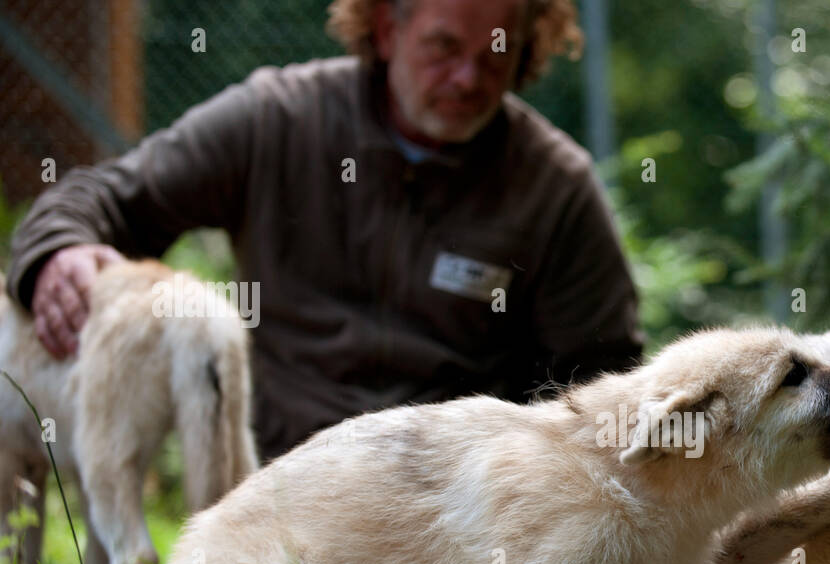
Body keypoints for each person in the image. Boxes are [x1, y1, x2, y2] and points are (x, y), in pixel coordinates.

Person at [5, 0, 643, 459]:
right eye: (445, 48)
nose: (468, 79)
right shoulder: (278, 119)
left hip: (450, 512)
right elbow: (109, 197)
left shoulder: (554, 186)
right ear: (388, 28)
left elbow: (605, 383)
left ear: (528, 46)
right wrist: (61, 251)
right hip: (274, 482)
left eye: (494, 55)